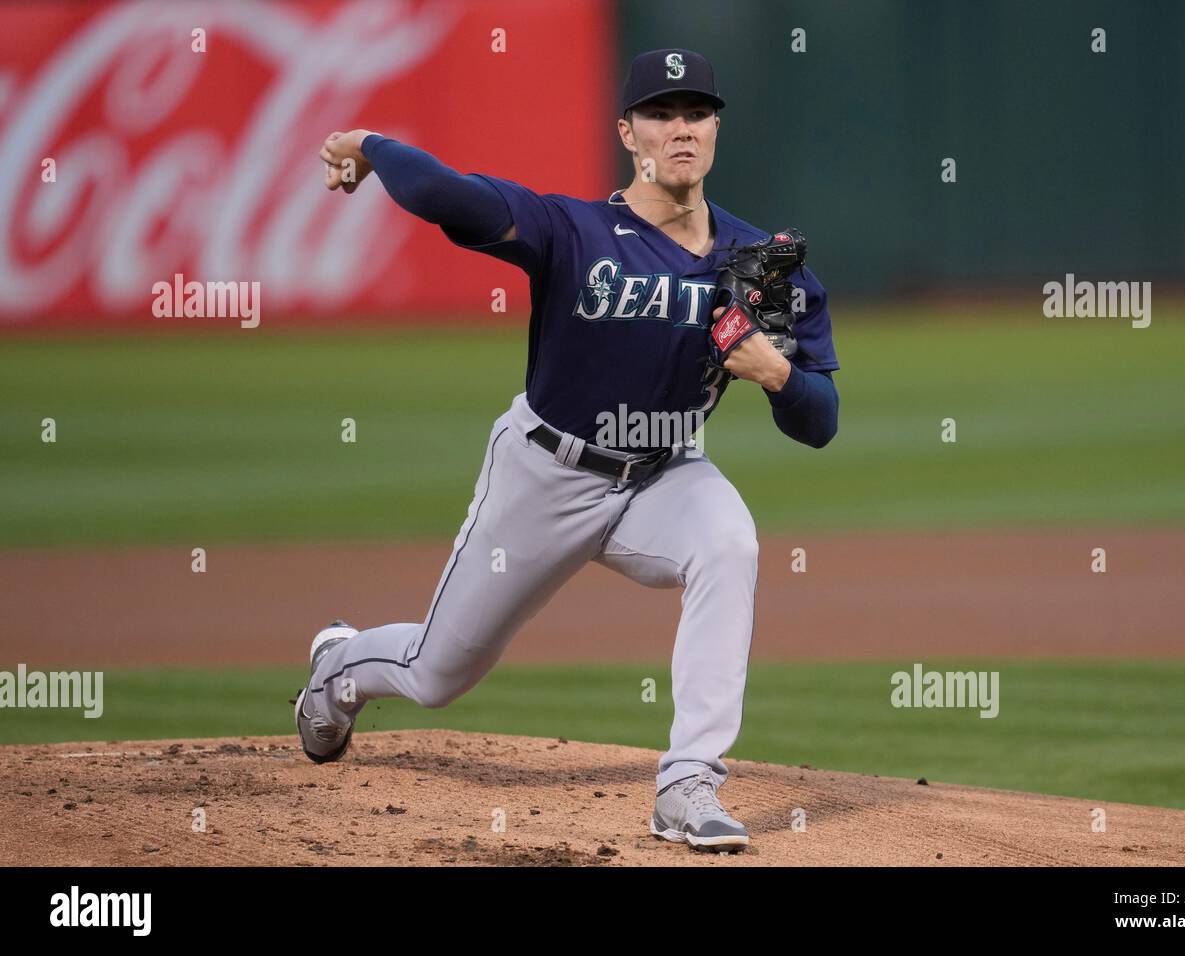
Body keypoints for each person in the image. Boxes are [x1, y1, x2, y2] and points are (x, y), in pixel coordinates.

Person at [296, 48, 840, 852]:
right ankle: (340, 666)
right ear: (628, 132)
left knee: (728, 540)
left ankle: (689, 783)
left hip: (663, 474)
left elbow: (819, 420)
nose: (680, 128)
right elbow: (451, 196)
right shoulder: (572, 229)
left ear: (717, 127)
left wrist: (777, 375)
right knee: (437, 674)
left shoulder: (760, 266)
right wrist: (371, 145)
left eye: (696, 112)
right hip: (545, 473)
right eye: (660, 112)